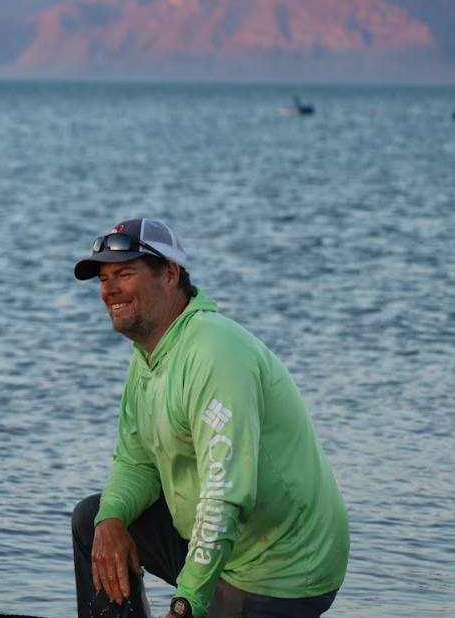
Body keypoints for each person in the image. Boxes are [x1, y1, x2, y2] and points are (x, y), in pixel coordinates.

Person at [69, 218, 349, 618]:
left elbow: (226, 496)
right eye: (103, 278)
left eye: (125, 273)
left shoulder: (214, 352)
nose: (109, 289)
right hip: (222, 545)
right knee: (92, 520)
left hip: (281, 571)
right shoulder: (150, 356)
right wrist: (111, 519)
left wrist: (185, 604)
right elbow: (136, 461)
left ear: (170, 274)